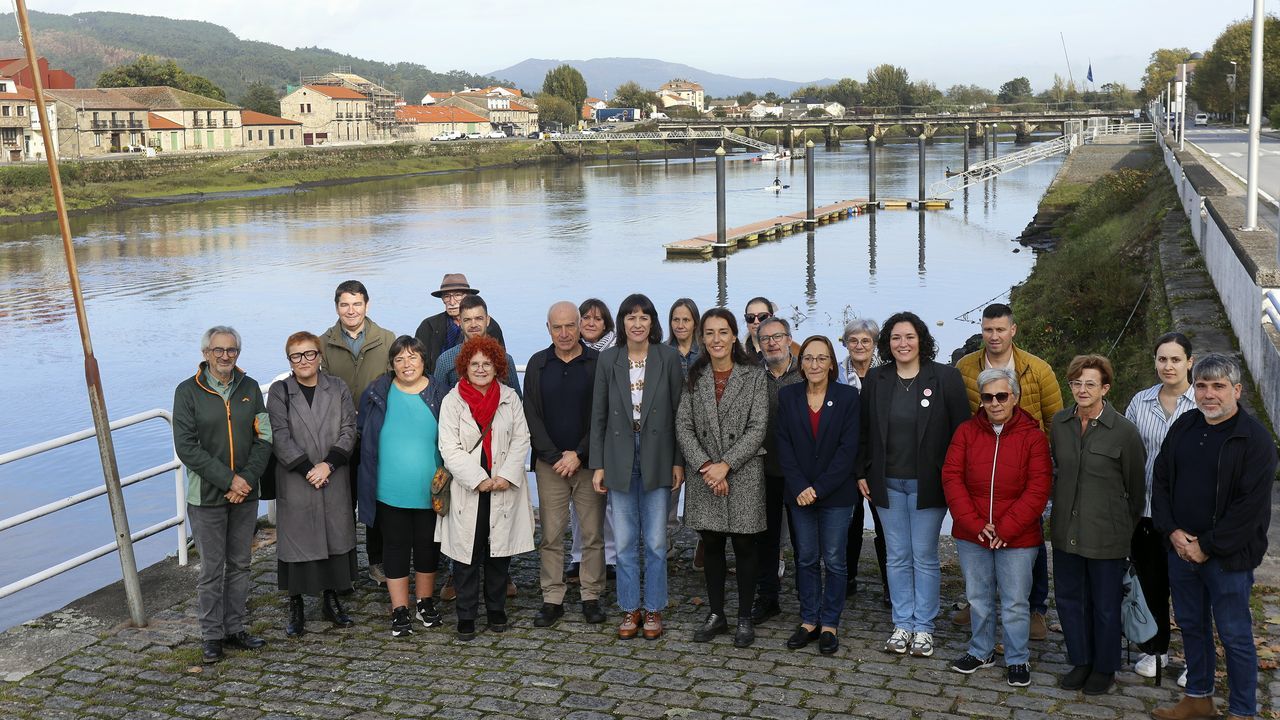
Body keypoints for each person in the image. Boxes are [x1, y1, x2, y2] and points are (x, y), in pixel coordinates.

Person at [1151, 353, 1278, 720]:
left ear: (1236, 390)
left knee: (1235, 635)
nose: (1209, 394)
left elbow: (1249, 510)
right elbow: (1161, 481)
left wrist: (1205, 546)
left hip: (1228, 559)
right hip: (1180, 550)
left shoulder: (1255, 441)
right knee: (1191, 626)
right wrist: (1173, 532)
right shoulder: (1185, 426)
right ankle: (1198, 697)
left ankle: (1242, 711)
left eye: (1218, 386)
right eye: (1202, 385)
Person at [857, 311, 969, 659]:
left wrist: (955, 478)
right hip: (886, 482)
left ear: (921, 339)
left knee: (924, 555)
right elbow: (864, 430)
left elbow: (962, 434)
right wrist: (861, 472)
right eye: (895, 338)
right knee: (896, 555)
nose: (902, 343)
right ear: (887, 344)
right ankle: (902, 623)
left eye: (909, 336)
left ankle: (924, 627)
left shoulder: (946, 378)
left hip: (929, 484)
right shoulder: (876, 379)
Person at [952, 303, 1062, 638]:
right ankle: (978, 601)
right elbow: (960, 416)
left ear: (1013, 330)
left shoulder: (1037, 369)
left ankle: (1035, 608)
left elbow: (1054, 420)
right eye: (988, 330)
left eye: (1000, 329)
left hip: (1026, 465)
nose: (994, 336)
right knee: (978, 532)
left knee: (1029, 535)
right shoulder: (965, 368)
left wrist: (1046, 467)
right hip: (981, 466)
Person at [941, 368, 1052, 688]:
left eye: (1002, 396)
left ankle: (1017, 657)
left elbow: (1039, 487)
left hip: (1018, 537)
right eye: (988, 397)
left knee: (1016, 601)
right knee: (978, 596)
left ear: (1014, 397)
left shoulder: (1033, 436)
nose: (995, 402)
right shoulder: (965, 432)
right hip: (972, 533)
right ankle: (981, 650)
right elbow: (952, 478)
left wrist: (1005, 528)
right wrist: (975, 524)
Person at [173, 326, 273, 664]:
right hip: (207, 498)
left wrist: (244, 480)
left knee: (242, 564)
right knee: (212, 569)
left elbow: (265, 437)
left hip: (245, 493)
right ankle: (211, 635)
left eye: (231, 350)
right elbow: (187, 447)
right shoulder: (187, 392)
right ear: (205, 354)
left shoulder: (250, 388)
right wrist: (228, 480)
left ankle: (234, 628)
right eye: (218, 350)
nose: (225, 356)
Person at [1049, 354, 1145, 696]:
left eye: (1090, 383)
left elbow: (1135, 490)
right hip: (1065, 532)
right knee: (1070, 600)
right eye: (1076, 383)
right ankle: (1081, 661)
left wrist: (1121, 526)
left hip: (1107, 534)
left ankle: (1105, 667)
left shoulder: (1125, 432)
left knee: (1104, 605)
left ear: (1105, 388)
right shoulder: (1059, 425)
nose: (1082, 390)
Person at [590, 293, 684, 640]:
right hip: (619, 454)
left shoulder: (668, 358)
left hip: (658, 453)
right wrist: (598, 464)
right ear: (622, 323)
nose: (637, 323)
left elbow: (679, 414)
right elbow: (598, 414)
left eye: (644, 317)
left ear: (652, 322)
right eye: (631, 317)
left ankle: (654, 608)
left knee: (657, 541)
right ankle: (630, 608)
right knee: (626, 540)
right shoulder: (608, 360)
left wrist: (678, 461)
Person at [676, 308, 769, 648]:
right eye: (710, 333)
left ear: (734, 336)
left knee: (745, 545)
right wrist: (706, 467)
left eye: (723, 332)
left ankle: (744, 616)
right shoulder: (694, 375)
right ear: (703, 339)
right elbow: (683, 425)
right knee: (711, 543)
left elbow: (758, 426)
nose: (716, 339)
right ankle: (717, 613)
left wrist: (726, 465)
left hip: (743, 472)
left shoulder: (753, 375)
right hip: (705, 475)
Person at [438, 335, 535, 640]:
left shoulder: (509, 399)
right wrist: (478, 478)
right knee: (466, 555)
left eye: (487, 364)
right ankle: (466, 615)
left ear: (497, 367)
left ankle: (496, 610)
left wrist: (505, 475)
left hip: (502, 487)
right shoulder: (452, 401)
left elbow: (522, 439)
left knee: (498, 553)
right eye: (475, 364)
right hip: (470, 489)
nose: (480, 369)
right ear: (464, 367)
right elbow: (449, 447)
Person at [356, 336, 449, 638]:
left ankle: (425, 602)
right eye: (399, 359)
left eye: (413, 358)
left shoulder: (439, 392)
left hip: (430, 489)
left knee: (427, 547)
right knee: (394, 548)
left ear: (424, 361)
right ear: (392, 364)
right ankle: (399, 609)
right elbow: (362, 432)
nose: (406, 364)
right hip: (388, 489)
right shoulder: (377, 391)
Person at [267, 332, 358, 637]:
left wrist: (327, 464)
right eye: (296, 356)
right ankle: (296, 606)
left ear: (319, 356)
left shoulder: (338, 387)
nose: (304, 361)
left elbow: (349, 428)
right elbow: (279, 435)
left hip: (333, 473)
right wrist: (308, 469)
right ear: (289, 360)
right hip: (297, 477)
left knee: (334, 537)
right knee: (297, 542)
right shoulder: (280, 392)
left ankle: (331, 600)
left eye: (309, 354)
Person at [523, 302, 607, 627]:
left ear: (580, 325)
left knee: (592, 534)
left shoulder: (597, 363)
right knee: (551, 535)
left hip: (588, 464)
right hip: (550, 465)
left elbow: (604, 413)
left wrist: (580, 453)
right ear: (548, 329)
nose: (564, 333)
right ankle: (552, 598)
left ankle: (590, 595)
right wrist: (555, 456)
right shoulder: (537, 364)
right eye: (557, 327)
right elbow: (530, 413)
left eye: (570, 326)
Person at [775, 335, 860, 655]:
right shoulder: (788, 396)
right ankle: (809, 619)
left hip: (836, 495)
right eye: (808, 358)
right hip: (799, 494)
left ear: (832, 363)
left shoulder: (848, 397)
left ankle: (830, 623)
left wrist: (819, 488)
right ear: (801, 363)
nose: (814, 364)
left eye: (821, 358)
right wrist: (800, 487)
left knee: (835, 561)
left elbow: (847, 450)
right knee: (806, 558)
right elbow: (784, 444)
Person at [1124, 332, 1196, 683]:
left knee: (1190, 591)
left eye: (1175, 359)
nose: (1168, 366)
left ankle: (1196, 660)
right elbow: (1128, 453)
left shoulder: (1202, 402)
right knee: (1151, 584)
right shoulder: (1140, 402)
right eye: (1162, 359)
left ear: (1189, 362)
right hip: (1147, 511)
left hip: (1188, 516)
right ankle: (1156, 651)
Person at [321, 280, 397, 585]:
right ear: (336, 306)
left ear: (367, 304)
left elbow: (397, 381)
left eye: (356, 304)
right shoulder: (323, 343)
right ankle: (345, 567)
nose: (351, 311)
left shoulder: (387, 339)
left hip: (376, 435)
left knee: (377, 500)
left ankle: (377, 562)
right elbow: (320, 385)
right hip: (337, 435)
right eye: (344, 304)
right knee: (341, 503)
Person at [749, 315, 803, 622]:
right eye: (765, 338)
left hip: (798, 472)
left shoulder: (805, 372)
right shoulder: (753, 376)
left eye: (777, 336)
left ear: (788, 338)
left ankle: (806, 599)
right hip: (762, 469)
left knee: (802, 540)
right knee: (765, 540)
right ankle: (767, 597)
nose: (772, 342)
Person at [836, 318, 890, 608]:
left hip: (879, 460)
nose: (859, 346)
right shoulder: (837, 375)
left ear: (875, 344)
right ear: (845, 343)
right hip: (846, 459)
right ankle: (848, 578)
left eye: (865, 341)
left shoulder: (887, 374)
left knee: (884, 525)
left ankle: (889, 584)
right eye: (853, 340)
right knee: (849, 523)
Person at [567, 298, 620, 579]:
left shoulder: (615, 353)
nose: (590, 323)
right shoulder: (570, 351)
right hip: (578, 439)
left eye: (597, 319)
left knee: (608, 500)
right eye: (585, 317)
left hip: (609, 435)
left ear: (606, 324)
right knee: (579, 502)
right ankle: (578, 556)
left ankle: (610, 557)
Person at [414, 273, 506, 376]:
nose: (452, 302)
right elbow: (417, 362)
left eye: (457, 295)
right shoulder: (428, 326)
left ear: (467, 296)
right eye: (447, 296)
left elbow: (501, 361)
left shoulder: (490, 326)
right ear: (442, 299)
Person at [433, 295, 521, 397]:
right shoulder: (445, 361)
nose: (473, 324)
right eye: (467, 320)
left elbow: (517, 398)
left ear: (487, 320)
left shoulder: (505, 359)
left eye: (479, 318)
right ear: (460, 323)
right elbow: (438, 400)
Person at [741, 297, 800, 363]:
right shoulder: (736, 352)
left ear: (772, 318)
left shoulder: (795, 350)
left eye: (762, 316)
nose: (756, 321)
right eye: (750, 317)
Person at [667, 298, 701, 376]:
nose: (680, 326)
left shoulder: (706, 351)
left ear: (695, 323)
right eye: (676, 320)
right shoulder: (662, 352)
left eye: (686, 320)